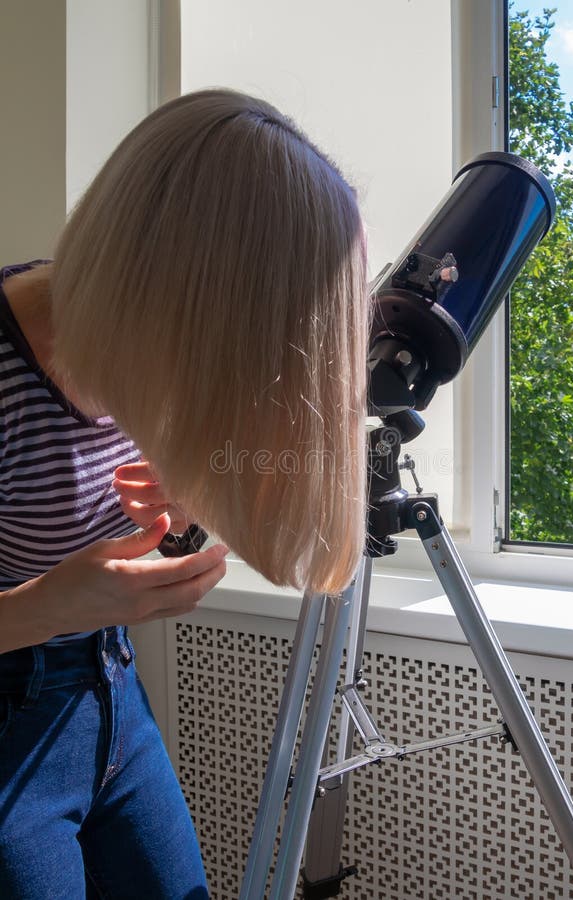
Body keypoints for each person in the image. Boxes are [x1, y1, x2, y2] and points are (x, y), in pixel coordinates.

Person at [0, 88, 369, 897]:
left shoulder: (151, 352)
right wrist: (44, 610)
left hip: (109, 699)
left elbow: (181, 497)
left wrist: (181, 518)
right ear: (162, 292)